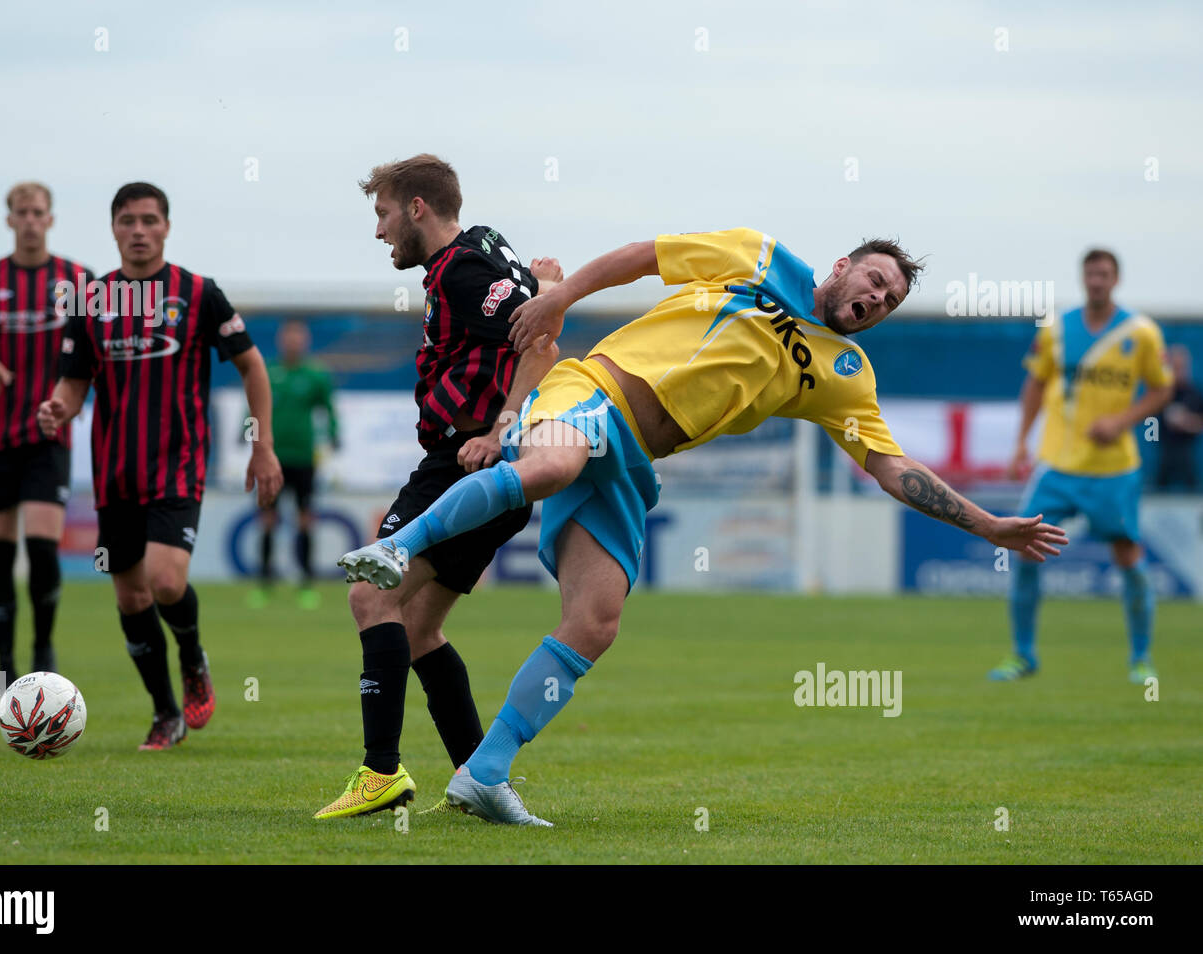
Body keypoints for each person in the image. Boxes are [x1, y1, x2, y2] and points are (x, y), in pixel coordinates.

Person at [340, 227, 1068, 825]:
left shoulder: (844, 372)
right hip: (592, 389)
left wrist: (989, 526)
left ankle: (484, 774)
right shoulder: (758, 255)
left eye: (890, 299)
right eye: (874, 280)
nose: (877, 297)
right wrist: (562, 293)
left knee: (595, 622)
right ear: (842, 267)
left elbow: (888, 467)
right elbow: (645, 258)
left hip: (629, 461)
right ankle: (395, 548)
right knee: (554, 465)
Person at [314, 154, 563, 819]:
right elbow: (534, 315)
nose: (379, 231)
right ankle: (477, 778)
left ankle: (381, 772)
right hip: (486, 473)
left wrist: (501, 427)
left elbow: (542, 345)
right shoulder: (485, 246)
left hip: (466, 464)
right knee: (418, 629)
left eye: (383, 214)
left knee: (371, 595)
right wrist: (544, 285)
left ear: (417, 208)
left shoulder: (462, 270)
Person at [38, 182, 283, 750]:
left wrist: (262, 443)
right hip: (115, 471)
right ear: (114, 229)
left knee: (166, 581)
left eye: (150, 220)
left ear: (167, 227)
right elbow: (73, 385)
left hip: (179, 462)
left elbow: (252, 366)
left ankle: (193, 656)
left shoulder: (199, 294)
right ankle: (165, 712)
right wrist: (58, 407)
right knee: (130, 598)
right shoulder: (90, 300)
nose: (140, 230)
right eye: (128, 221)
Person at [997, 249, 1174, 684]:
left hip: (1114, 469)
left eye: (1105, 274)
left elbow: (1161, 390)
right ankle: (1023, 656)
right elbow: (1035, 384)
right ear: (1083, 278)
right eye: (1091, 273)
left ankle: (1141, 659)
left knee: (1127, 555)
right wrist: (1021, 442)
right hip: (1056, 465)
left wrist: (1122, 420)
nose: (1097, 280)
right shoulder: (1057, 328)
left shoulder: (1142, 333)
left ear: (1116, 279)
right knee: (1023, 548)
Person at [0, 181, 93, 684]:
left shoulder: (77, 280)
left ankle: (44, 650)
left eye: (38, 212)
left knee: (43, 546)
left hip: (49, 432)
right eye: (21, 212)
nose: (30, 220)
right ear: (9, 219)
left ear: (51, 219)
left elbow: (98, 349)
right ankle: (5, 666)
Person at [248, 319, 339, 610]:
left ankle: (306, 583)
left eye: (298, 338)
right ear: (280, 340)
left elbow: (329, 407)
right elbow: (251, 406)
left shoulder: (315, 375)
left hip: (303, 458)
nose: (293, 343)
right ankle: (264, 584)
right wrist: (247, 431)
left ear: (306, 342)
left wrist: (335, 434)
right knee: (268, 520)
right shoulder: (267, 372)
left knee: (304, 520)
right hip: (271, 458)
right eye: (289, 338)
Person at [1155, 345, 1203, 490]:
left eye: (1182, 367)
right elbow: (1149, 431)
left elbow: (1200, 425)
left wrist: (1186, 421)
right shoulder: (1158, 395)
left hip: (1188, 454)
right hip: (1163, 454)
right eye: (1175, 367)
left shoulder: (1195, 394)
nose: (1179, 372)